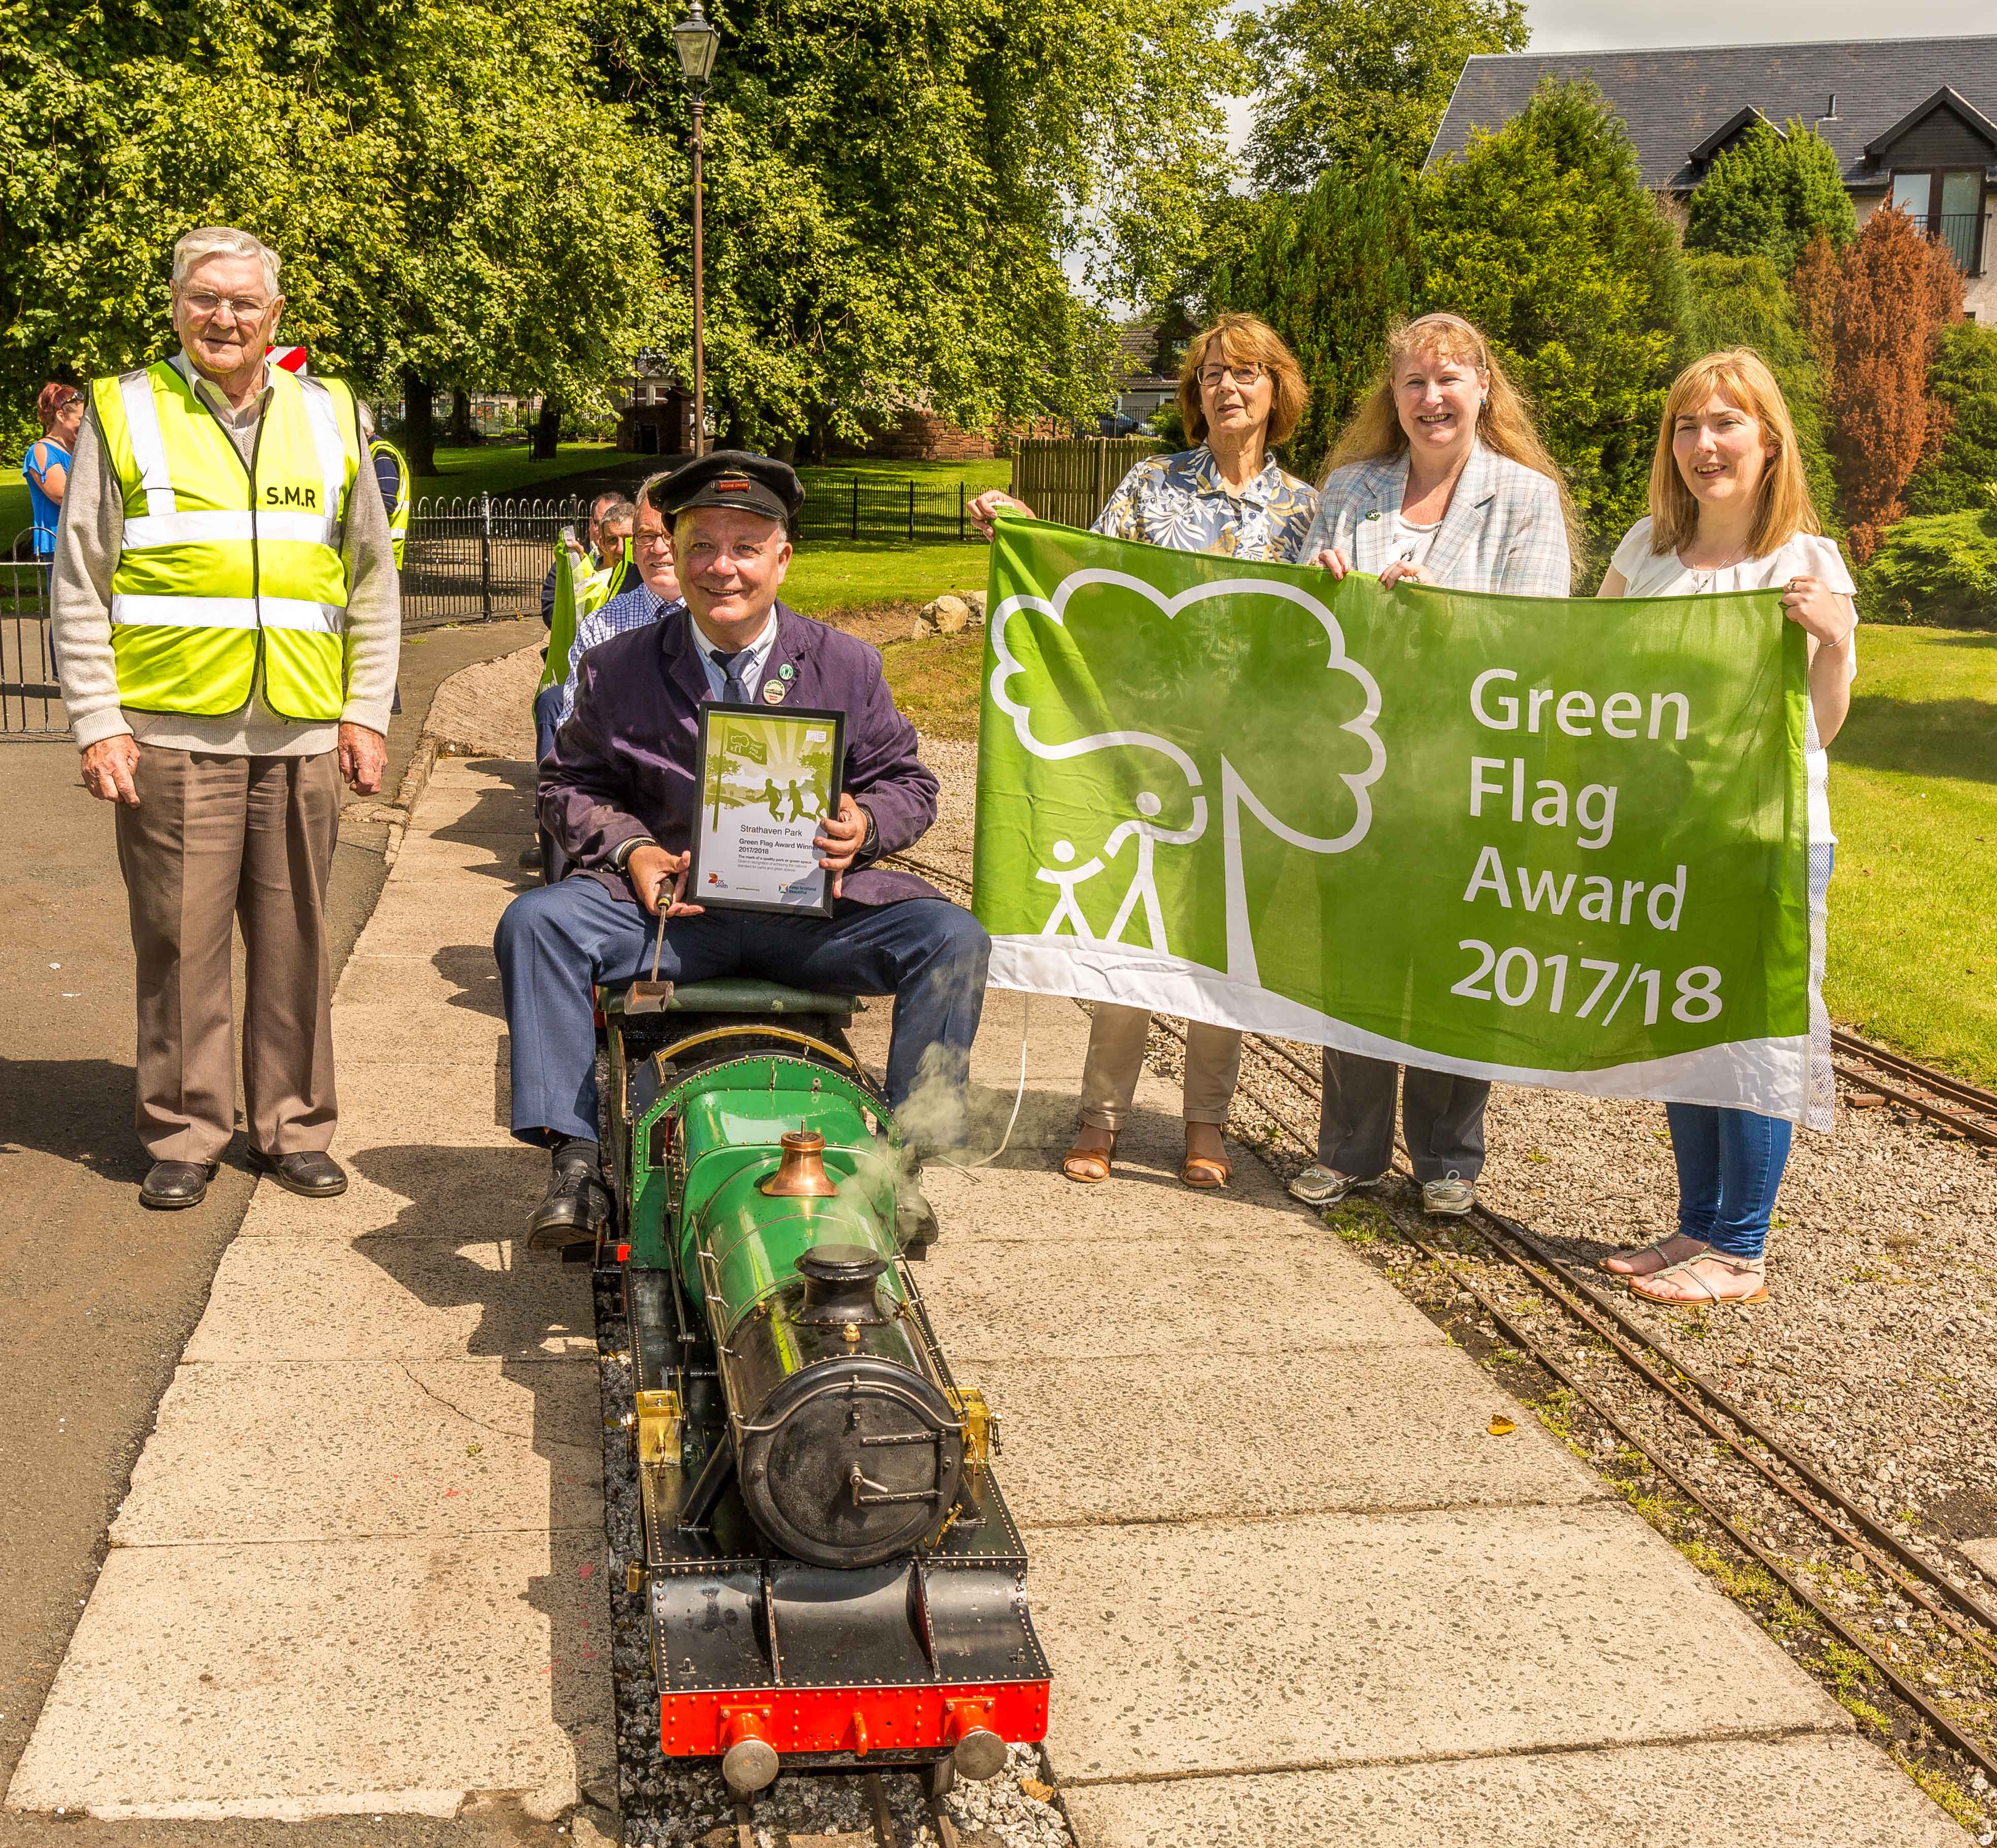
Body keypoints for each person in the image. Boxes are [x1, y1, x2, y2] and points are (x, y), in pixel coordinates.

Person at [494, 451, 989, 1248]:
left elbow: (910, 783)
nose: (721, 567)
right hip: (674, 915)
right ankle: (578, 1162)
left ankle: (901, 1163)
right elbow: (565, 786)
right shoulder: (618, 665)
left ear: (782, 559)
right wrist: (631, 852)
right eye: (701, 546)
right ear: (676, 553)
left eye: (745, 546)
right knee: (537, 923)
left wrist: (865, 826)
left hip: (811, 917)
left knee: (954, 938)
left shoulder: (846, 663)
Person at [49, 224, 399, 1209]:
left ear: (275, 316)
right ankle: (186, 1130)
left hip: (299, 731)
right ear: (175, 304)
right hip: (168, 733)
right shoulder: (123, 412)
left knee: (296, 939)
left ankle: (291, 1123)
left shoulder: (332, 413)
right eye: (205, 297)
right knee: (178, 938)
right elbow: (80, 585)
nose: (224, 317)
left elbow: (371, 582)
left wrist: (364, 710)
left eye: (244, 301)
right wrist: (97, 722)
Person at [969, 313, 1318, 1191]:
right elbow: (1087, 582)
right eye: (1209, 375)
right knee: (1131, 935)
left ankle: (1207, 1120)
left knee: (1220, 947)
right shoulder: (1148, 484)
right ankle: (1102, 1114)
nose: (1225, 388)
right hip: (1148, 756)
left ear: (1277, 389)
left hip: (1253, 764)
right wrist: (1020, 531)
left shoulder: (1308, 511)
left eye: (1244, 373)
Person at [1289, 310, 1577, 1219]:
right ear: (1395, 396)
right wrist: (1317, 585)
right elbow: (1294, 626)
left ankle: (1449, 1158)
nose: (1431, 396)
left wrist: (1443, 615)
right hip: (1362, 771)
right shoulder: (1349, 487)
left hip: (1472, 774)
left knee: (1462, 963)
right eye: (1414, 381)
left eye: (1450, 378)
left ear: (1485, 388)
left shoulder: (1524, 497)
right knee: (1359, 965)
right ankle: (1350, 1149)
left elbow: (1541, 646)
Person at [1596, 348, 1854, 1306]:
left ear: (1769, 441)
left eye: (1726, 425)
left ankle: (1740, 1248)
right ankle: (1695, 1225)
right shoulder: (1644, 551)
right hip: (1665, 834)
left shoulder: (1807, 562)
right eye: (1687, 427)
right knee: (1686, 1028)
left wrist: (1829, 636)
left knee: (1753, 1036)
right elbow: (1590, 688)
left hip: (1766, 837)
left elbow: (1820, 728)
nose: (1705, 445)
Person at [533, 470, 689, 884]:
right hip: (622, 820)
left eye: (669, 533)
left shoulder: (725, 619)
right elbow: (573, 733)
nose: (658, 549)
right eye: (644, 537)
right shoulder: (604, 627)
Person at [23, 382, 83, 568]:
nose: (85, 425)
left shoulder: (76, 449)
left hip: (81, 540)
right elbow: (62, 495)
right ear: (61, 416)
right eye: (80, 419)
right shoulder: (42, 451)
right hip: (59, 543)